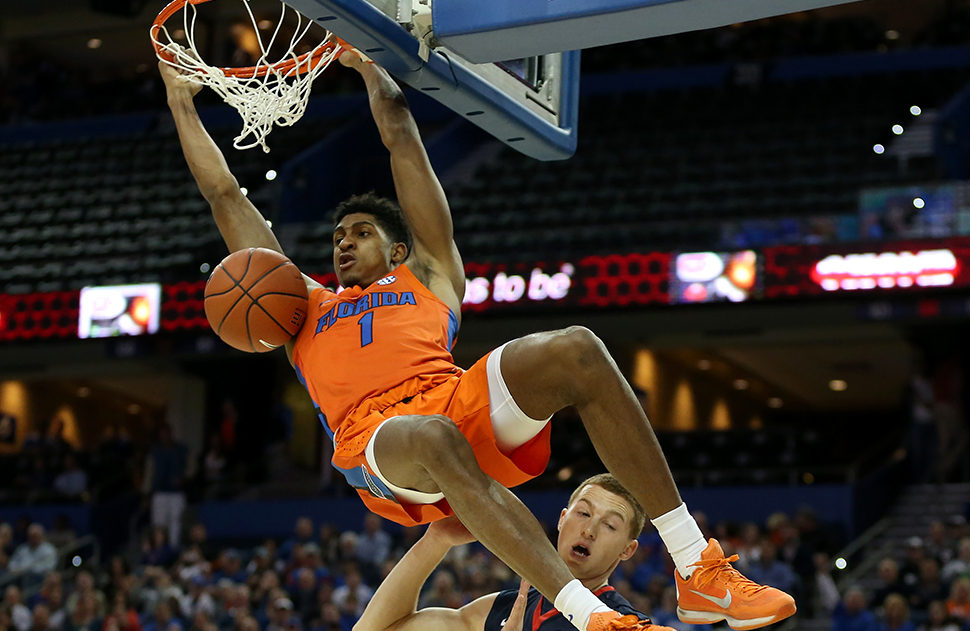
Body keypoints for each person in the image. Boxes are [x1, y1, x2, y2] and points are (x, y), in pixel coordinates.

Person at [160, 48, 794, 631]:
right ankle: (590, 616)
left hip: (457, 404)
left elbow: (402, 137)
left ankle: (697, 568)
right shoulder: (301, 309)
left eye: (360, 232)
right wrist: (181, 102)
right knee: (432, 437)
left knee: (576, 348)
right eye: (337, 237)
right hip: (379, 444)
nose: (343, 242)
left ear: (399, 249)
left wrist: (372, 64)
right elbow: (224, 194)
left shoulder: (429, 274)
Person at [353, 473, 671, 631]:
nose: (589, 530)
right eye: (583, 514)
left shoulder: (626, 624)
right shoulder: (502, 607)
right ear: (562, 519)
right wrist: (435, 541)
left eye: (610, 525)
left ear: (628, 551)